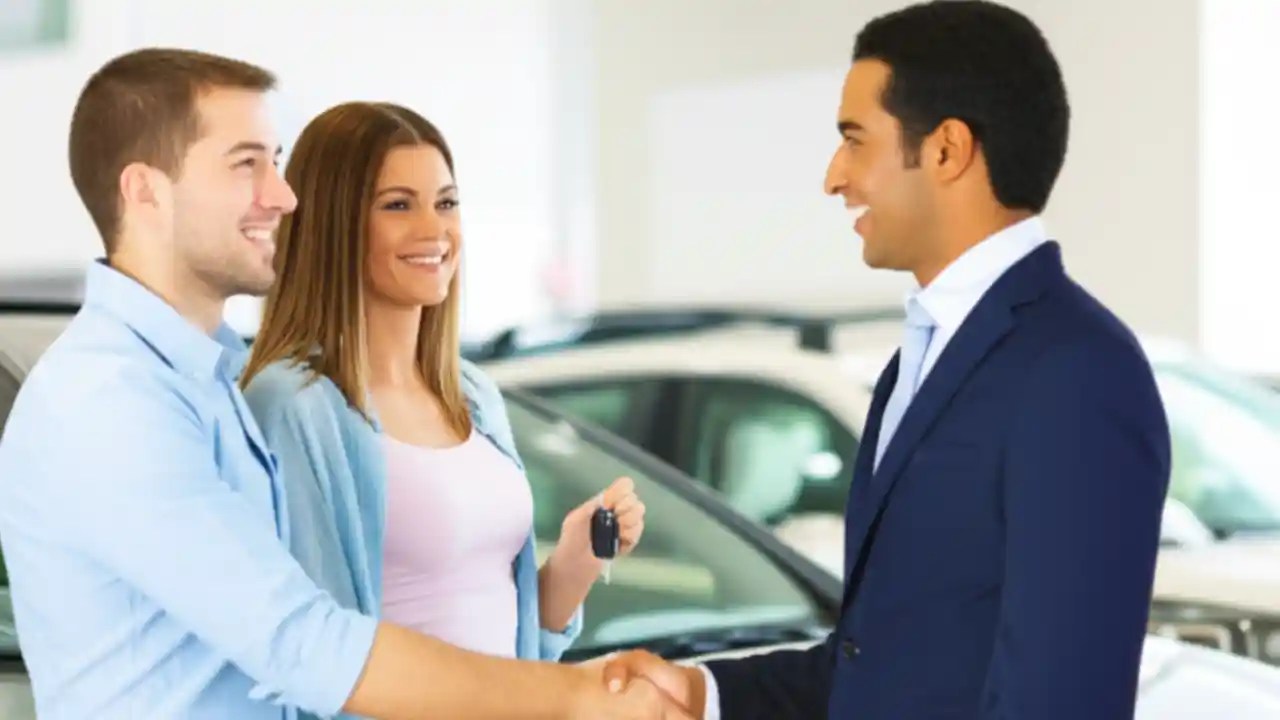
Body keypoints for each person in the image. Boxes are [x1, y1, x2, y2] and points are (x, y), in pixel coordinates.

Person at [0, 47, 678, 720]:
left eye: (276, 161)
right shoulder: (110, 404)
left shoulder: (206, 383)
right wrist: (577, 699)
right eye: (247, 164)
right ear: (144, 190)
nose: (284, 196)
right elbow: (304, 642)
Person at [602, 2, 1172, 718]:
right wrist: (705, 691)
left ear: (945, 150)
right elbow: (878, 664)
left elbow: (1062, 699)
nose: (834, 176)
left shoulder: (1076, 371)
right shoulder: (918, 363)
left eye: (855, 140)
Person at [237, 100, 645, 688]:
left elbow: (517, 648)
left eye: (446, 203)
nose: (435, 231)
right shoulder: (293, 405)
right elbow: (311, 657)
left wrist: (576, 562)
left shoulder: (472, 395)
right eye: (398, 205)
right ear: (333, 223)